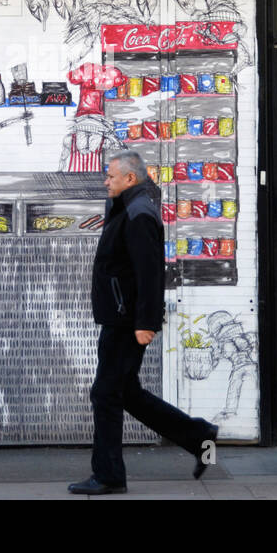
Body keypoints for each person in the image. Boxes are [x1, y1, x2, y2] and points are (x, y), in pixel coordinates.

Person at [69, 149, 219, 495]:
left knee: (105, 394)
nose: (105, 181)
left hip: (127, 321)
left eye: (110, 176)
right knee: (127, 393)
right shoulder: (124, 207)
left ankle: (108, 476)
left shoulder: (139, 214)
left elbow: (150, 274)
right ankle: (198, 436)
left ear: (129, 178)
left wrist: (146, 322)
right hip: (118, 317)